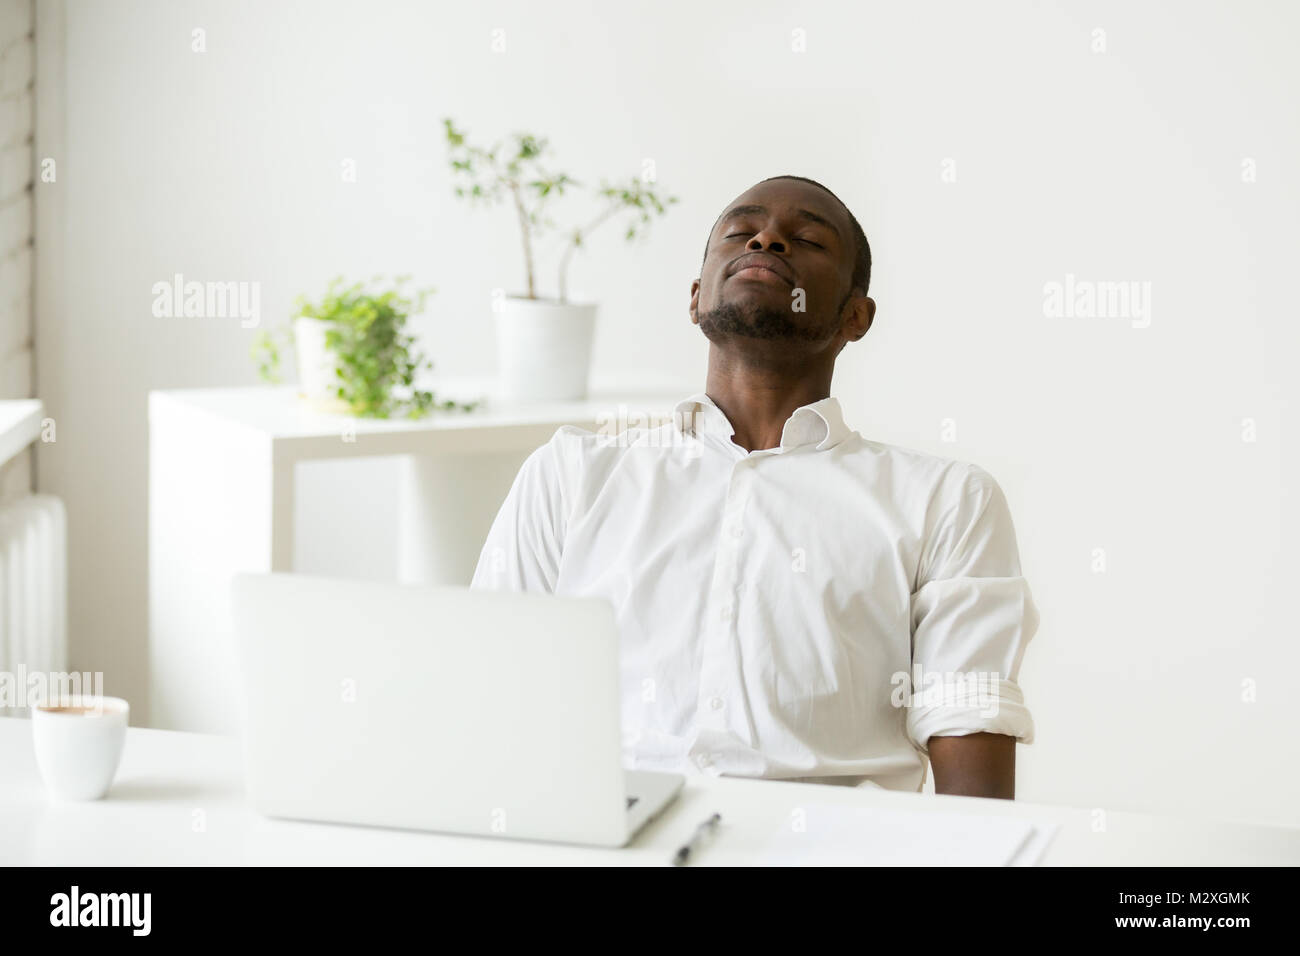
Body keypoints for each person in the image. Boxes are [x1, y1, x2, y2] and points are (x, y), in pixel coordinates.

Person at [471, 175, 1039, 798]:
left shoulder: (946, 501)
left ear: (856, 315)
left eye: (808, 240)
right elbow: (490, 696)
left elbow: (972, 754)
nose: (766, 240)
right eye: (742, 233)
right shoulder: (571, 473)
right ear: (695, 298)